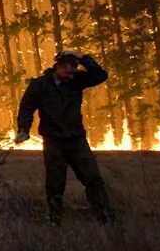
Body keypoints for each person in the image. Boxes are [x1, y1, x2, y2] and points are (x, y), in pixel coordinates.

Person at [15, 49, 113, 224]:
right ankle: (55, 220)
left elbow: (100, 75)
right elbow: (27, 108)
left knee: (93, 179)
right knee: (55, 183)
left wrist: (82, 57)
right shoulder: (40, 85)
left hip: (76, 139)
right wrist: (23, 129)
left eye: (73, 71)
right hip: (53, 141)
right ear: (58, 67)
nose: (70, 75)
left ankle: (105, 217)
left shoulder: (77, 81)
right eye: (67, 72)